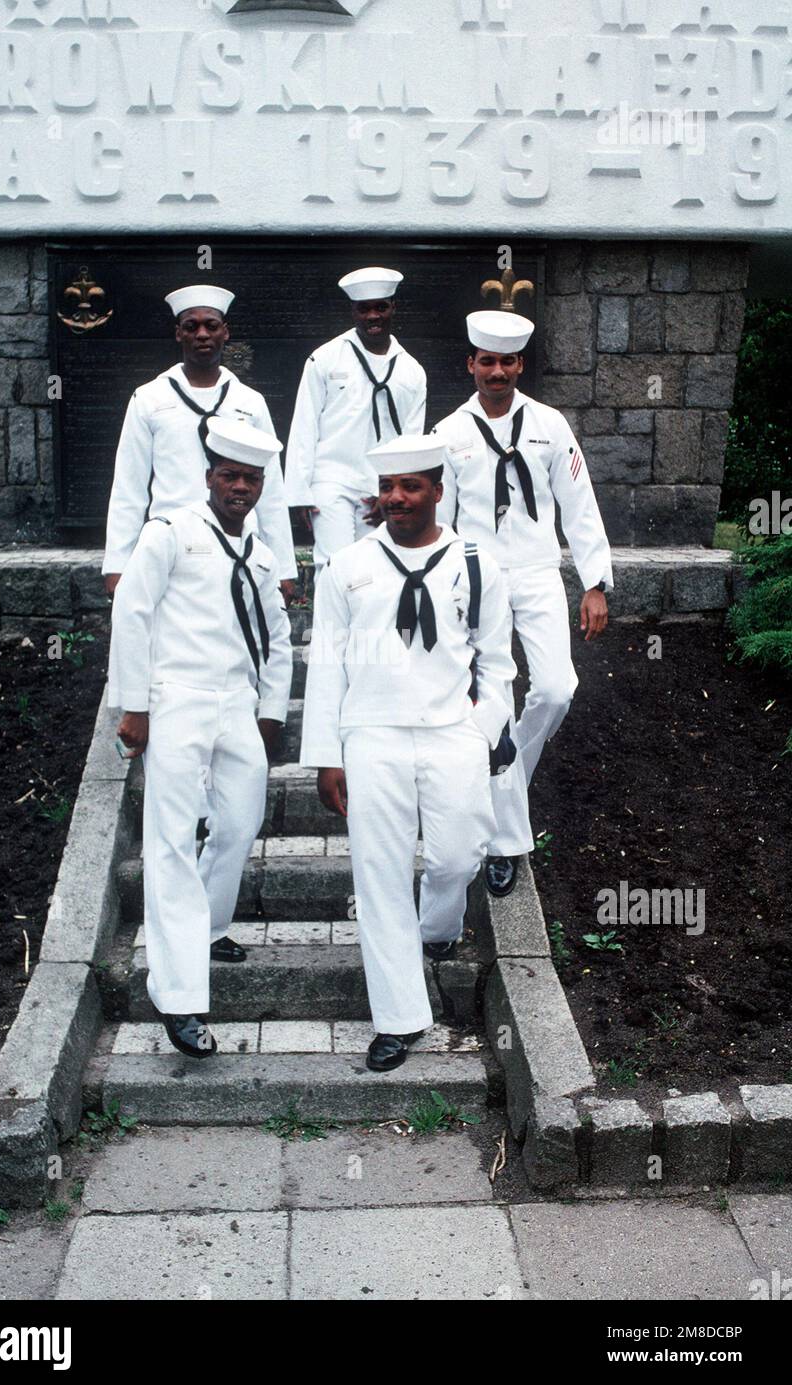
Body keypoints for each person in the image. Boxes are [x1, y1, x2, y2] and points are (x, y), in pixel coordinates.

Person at [300, 434, 517, 1072]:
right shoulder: (349, 566)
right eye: (388, 488)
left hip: (452, 729)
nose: (397, 498)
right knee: (379, 876)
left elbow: (499, 662)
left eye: (411, 486)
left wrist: (483, 730)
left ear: (437, 491)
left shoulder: (476, 563)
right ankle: (399, 1016)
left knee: (457, 856)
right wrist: (326, 755)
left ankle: (438, 929)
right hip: (373, 735)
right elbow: (326, 667)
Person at [109, 418, 293, 1058]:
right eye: (229, 476)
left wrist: (270, 712)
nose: (239, 487)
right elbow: (130, 611)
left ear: (262, 486)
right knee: (170, 843)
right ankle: (180, 998)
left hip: (236, 706)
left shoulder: (262, 555)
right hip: (177, 701)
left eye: (251, 479)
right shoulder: (171, 534)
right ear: (209, 477)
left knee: (241, 823)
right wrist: (134, 707)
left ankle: (211, 925)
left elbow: (276, 639)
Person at [434, 310, 613, 899]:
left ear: (519, 366)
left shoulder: (549, 424)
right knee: (496, 699)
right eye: (487, 361)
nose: (498, 371)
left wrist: (594, 582)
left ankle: (501, 780)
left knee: (558, 689)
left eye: (508, 362)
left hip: (537, 571)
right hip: (476, 575)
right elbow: (437, 522)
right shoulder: (449, 433)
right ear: (471, 364)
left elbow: (579, 502)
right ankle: (506, 841)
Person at [102, 284, 298, 602]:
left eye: (212, 325)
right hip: (172, 543)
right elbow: (129, 486)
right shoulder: (149, 398)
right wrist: (117, 563)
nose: (202, 334)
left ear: (226, 333)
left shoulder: (249, 401)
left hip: (238, 540)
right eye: (191, 327)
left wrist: (284, 567)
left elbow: (271, 490)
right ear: (178, 334)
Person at [284, 267, 427, 570]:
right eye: (364, 309)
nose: (373, 316)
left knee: (375, 568)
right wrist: (300, 492)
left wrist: (392, 490)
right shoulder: (325, 358)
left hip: (379, 483)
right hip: (330, 479)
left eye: (381, 307)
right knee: (333, 566)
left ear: (393, 308)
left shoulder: (411, 370)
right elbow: (304, 424)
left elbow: (412, 438)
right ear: (353, 312)